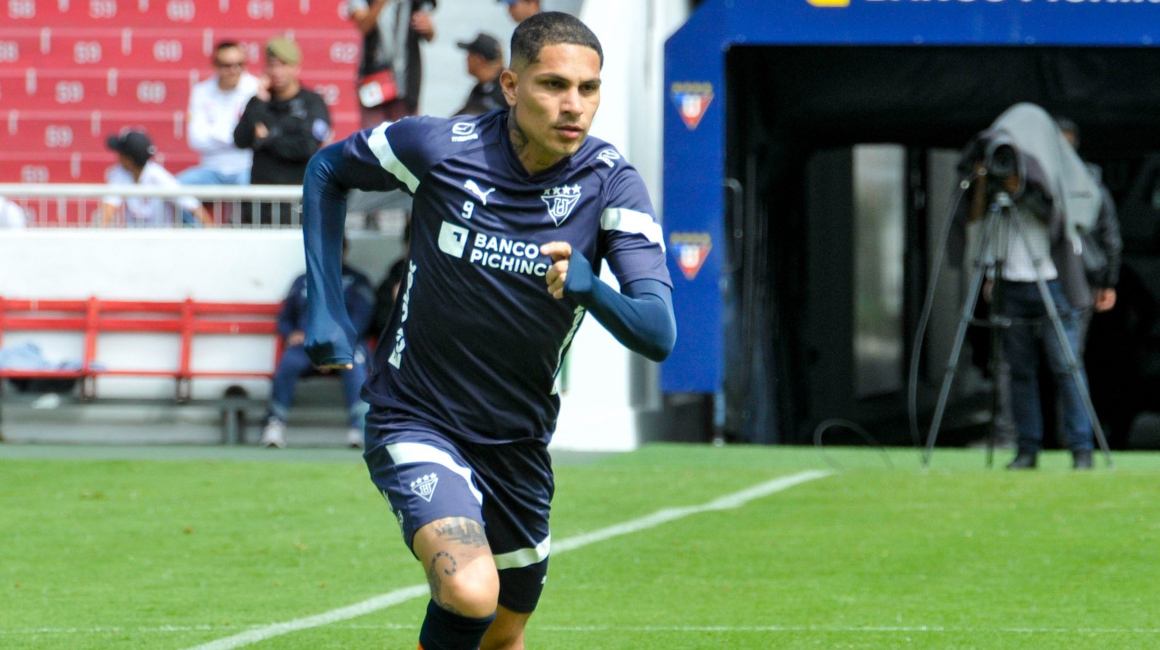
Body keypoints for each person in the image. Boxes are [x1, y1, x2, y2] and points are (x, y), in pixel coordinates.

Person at [299, 13, 675, 650]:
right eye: (553, 84)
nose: (572, 105)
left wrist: (592, 288)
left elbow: (658, 332)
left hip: (517, 441)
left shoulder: (612, 183)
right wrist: (325, 306)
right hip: (415, 415)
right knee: (470, 591)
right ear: (509, 85)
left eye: (588, 89)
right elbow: (326, 171)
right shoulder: (438, 148)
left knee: (503, 634)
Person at [961, 105, 1100, 470]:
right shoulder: (994, 179)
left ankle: (1082, 449)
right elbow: (973, 215)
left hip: (1051, 279)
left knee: (1066, 365)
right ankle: (1027, 448)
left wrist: (1025, 187)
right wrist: (986, 180)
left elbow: (1061, 216)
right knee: (1017, 369)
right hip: (1010, 281)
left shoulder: (1047, 175)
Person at [260, 239, 375, 449]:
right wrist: (292, 334)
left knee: (355, 368)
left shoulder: (357, 281)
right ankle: (275, 424)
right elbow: (284, 320)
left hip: (345, 347)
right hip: (307, 345)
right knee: (289, 363)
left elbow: (362, 320)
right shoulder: (302, 281)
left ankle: (359, 427)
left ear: (345, 250)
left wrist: (331, 346)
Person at [234, 37, 331, 225]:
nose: (277, 72)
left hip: (296, 197)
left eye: (284, 65)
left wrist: (268, 137)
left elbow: (306, 147)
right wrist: (258, 103)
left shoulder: (312, 103)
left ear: (297, 67)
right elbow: (240, 139)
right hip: (261, 198)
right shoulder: (260, 101)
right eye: (272, 65)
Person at [178, 41, 259, 186]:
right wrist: (238, 136)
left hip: (246, 168)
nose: (234, 70)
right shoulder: (201, 91)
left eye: (239, 64)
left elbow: (256, 140)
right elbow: (196, 140)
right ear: (215, 66)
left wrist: (213, 132)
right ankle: (198, 210)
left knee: (255, 191)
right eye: (227, 65)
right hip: (210, 168)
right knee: (175, 189)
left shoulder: (256, 88)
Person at [349, 0, 436, 128]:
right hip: (374, 79)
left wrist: (428, 27)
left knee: (407, 136)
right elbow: (363, 26)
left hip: (406, 81)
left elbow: (429, 35)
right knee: (372, 138)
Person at [101, 130, 211, 227]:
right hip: (134, 242)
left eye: (120, 154)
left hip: (162, 242)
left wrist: (215, 237)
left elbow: (193, 206)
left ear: (128, 161)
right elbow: (108, 210)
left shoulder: (159, 177)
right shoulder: (120, 174)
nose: (117, 157)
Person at [453, 33, 507, 117]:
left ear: (479, 59)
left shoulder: (507, 89)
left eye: (469, 54)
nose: (466, 59)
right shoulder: (479, 89)